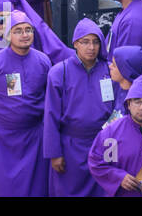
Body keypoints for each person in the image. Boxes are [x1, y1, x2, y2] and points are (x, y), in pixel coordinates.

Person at [0, 10, 51, 196]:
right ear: (8, 35)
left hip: (34, 136)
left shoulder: (43, 61)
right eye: (18, 31)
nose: (25, 35)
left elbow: (48, 96)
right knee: (5, 186)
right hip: (5, 137)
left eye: (28, 30)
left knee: (36, 186)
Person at [42, 19, 114, 196]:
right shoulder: (59, 73)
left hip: (104, 145)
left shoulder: (110, 71)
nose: (91, 47)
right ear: (75, 44)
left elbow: (117, 109)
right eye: (85, 42)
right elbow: (50, 116)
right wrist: (54, 153)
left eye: (96, 42)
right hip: (70, 147)